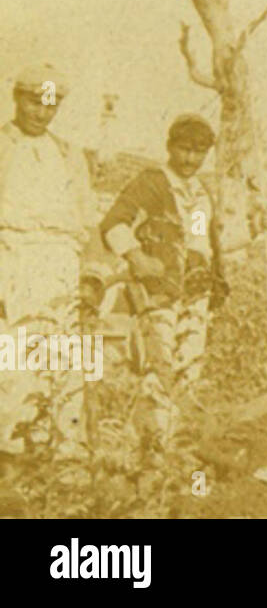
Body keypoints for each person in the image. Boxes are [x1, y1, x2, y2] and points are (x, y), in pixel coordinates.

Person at [99, 113, 237, 454]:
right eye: (184, 149)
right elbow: (114, 224)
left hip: (196, 292)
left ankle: (177, 445)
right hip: (159, 292)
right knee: (158, 366)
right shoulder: (152, 183)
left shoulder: (201, 192)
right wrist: (137, 258)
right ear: (169, 147)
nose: (190, 159)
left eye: (199, 151)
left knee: (189, 366)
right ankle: (151, 448)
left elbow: (203, 241)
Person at [0, 63, 109, 464]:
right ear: (17, 98)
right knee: (14, 368)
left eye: (50, 106)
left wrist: (93, 276)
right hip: (12, 263)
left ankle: (67, 463)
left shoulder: (69, 154)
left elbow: (87, 220)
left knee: (68, 366)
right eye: (34, 103)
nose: (41, 114)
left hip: (62, 267)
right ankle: (14, 462)